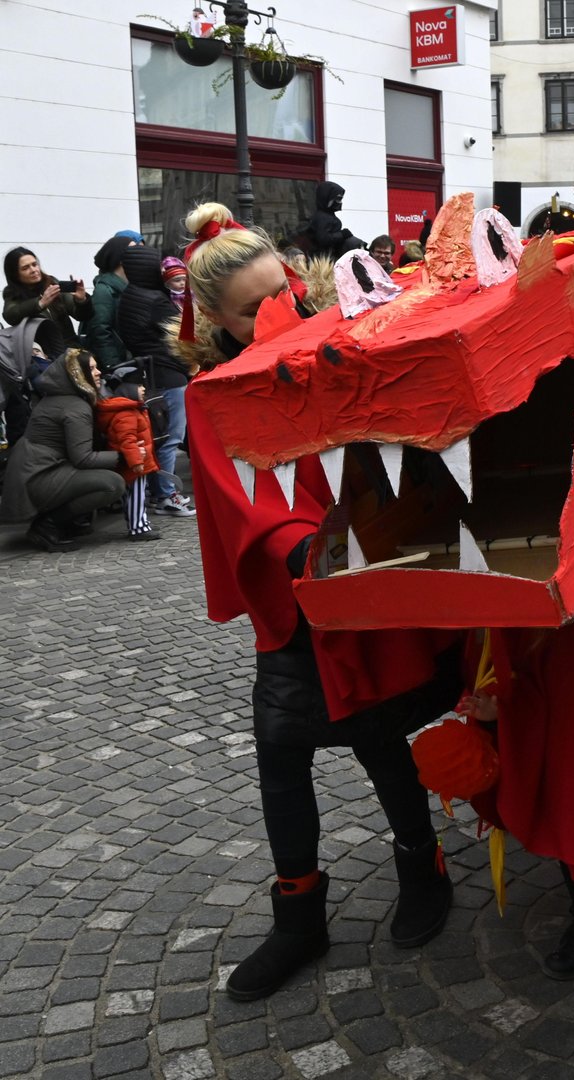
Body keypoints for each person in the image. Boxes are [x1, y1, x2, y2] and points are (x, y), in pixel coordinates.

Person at [176, 202, 459, 1001]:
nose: (281, 311)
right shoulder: (213, 395)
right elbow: (240, 494)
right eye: (255, 306)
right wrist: (303, 545)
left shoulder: (333, 348)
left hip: (358, 573)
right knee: (281, 754)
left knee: (377, 735)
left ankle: (423, 867)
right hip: (299, 598)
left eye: (287, 291)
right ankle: (299, 915)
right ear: (218, 323)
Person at [0, 348, 126, 552]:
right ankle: (47, 526)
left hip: (35, 472)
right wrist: (122, 457)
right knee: (112, 484)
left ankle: (66, 522)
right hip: (38, 476)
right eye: (92, 368)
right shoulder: (74, 407)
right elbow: (83, 459)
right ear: (78, 374)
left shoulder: (59, 397)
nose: (98, 372)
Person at [115, 245, 196, 517]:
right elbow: (183, 334)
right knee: (171, 437)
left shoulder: (129, 296)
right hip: (169, 374)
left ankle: (155, 493)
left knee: (156, 437)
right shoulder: (157, 300)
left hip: (147, 374)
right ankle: (167, 495)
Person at [94, 377, 160, 541]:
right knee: (137, 495)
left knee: (131, 495)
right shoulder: (127, 413)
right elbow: (127, 440)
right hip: (135, 463)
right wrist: (136, 461)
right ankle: (139, 527)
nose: (143, 388)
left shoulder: (130, 410)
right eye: (138, 385)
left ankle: (138, 523)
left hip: (132, 461)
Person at [4, 247, 88, 345]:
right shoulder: (11, 292)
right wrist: (40, 303)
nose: (33, 270)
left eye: (35, 265)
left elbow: (81, 315)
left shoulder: (51, 283)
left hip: (70, 348)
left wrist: (81, 301)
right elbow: (11, 315)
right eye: (25, 268)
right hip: (41, 354)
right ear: (15, 274)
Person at [85, 236, 136, 372]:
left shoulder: (130, 286)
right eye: (132, 250)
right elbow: (100, 331)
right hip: (120, 364)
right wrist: (115, 367)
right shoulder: (104, 291)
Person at [304, 181, 364, 261]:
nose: (340, 202)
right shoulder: (323, 217)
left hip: (326, 257)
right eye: (338, 199)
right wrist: (342, 234)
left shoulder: (324, 215)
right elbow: (323, 238)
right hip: (324, 260)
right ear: (327, 197)